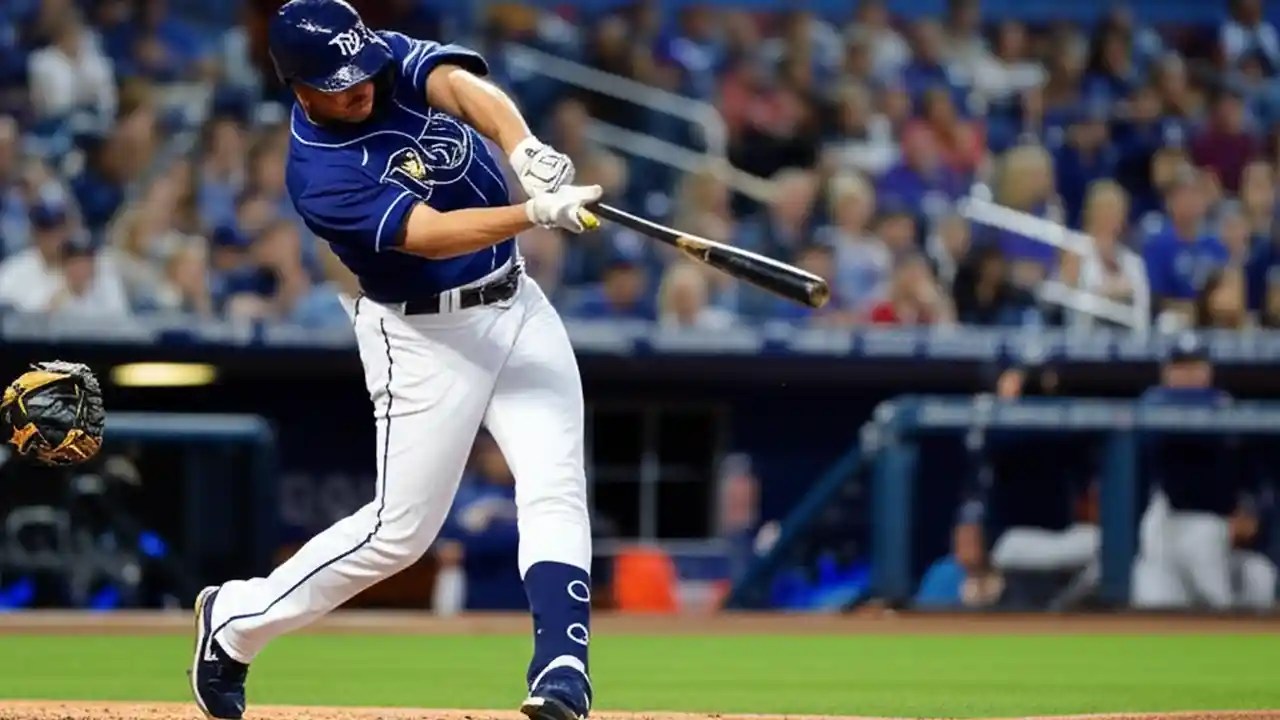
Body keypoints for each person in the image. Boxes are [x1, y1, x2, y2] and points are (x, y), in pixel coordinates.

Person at [189, 3, 600, 720]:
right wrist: (531, 214)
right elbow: (432, 234)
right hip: (425, 336)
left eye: (362, 71)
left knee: (555, 484)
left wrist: (522, 147)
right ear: (299, 88)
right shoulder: (319, 173)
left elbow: (456, 83)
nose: (360, 88)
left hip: (517, 301)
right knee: (399, 535)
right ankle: (234, 619)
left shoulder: (377, 61)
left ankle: (562, 669)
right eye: (338, 83)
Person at [1130, 333, 1276, 610]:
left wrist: (1252, 512)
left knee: (1259, 577)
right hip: (1167, 526)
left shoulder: (1231, 412)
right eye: (1181, 367)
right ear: (1166, 372)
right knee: (1156, 606)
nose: (1188, 375)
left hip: (1217, 529)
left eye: (1195, 366)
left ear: (1209, 371)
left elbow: (1257, 478)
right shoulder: (1152, 406)